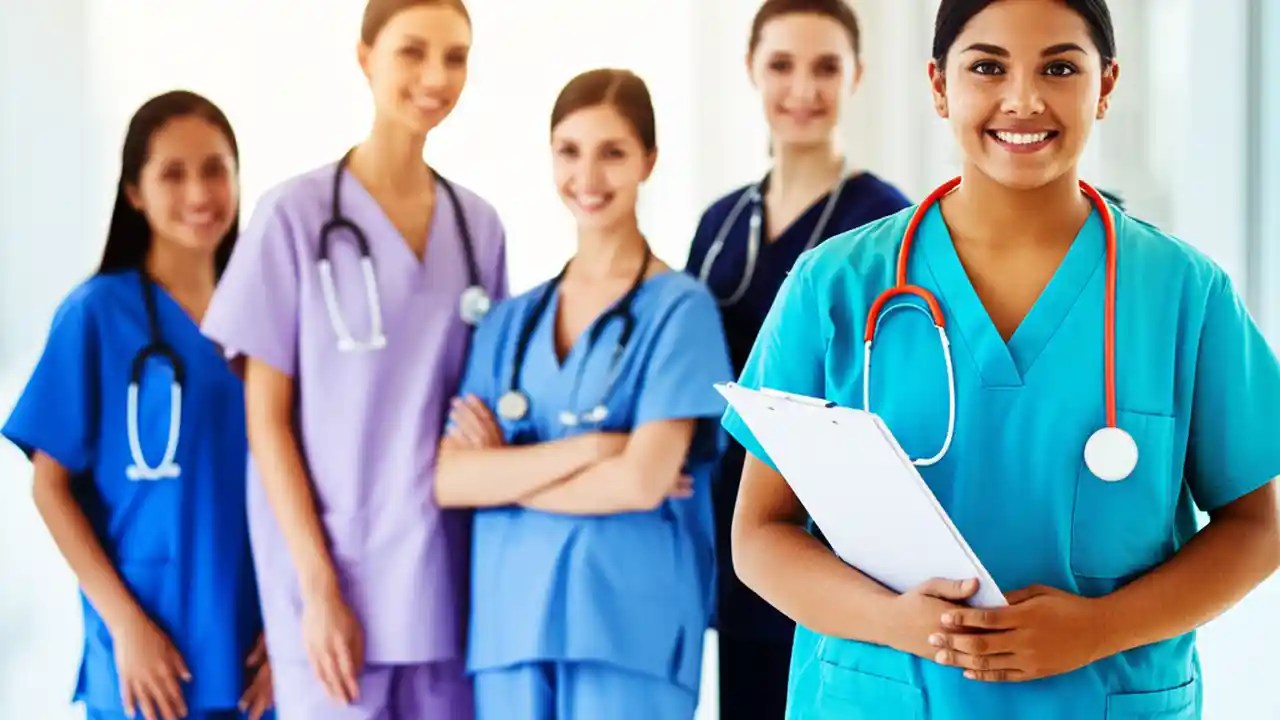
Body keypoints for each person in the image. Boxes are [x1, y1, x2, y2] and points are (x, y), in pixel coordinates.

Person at [723, 0, 1280, 717]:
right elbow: (760, 535)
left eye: (1059, 67)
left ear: (1105, 85)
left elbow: (1257, 527)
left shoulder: (1183, 293)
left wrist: (1100, 629)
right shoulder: (835, 286)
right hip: (882, 695)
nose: (1023, 98)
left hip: (1100, 697)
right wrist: (894, 621)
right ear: (938, 85)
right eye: (987, 66)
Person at [198, 1, 508, 717]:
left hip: (444, 580)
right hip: (334, 581)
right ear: (365, 56)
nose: (436, 75)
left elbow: (485, 392)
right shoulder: (293, 217)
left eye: (455, 56)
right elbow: (266, 423)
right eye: (412, 51)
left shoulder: (478, 227)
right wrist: (319, 589)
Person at [435, 68, 733, 720]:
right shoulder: (512, 323)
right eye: (570, 151)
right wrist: (598, 446)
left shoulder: (678, 311)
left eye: (613, 153)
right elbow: (452, 480)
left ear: (648, 161)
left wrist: (507, 478)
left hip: (629, 629)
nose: (588, 177)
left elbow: (639, 485)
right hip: (511, 628)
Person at [2, 90, 273, 720]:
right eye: (172, 174)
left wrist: (291, 623)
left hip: (254, 646)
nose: (201, 194)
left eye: (215, 168)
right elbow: (50, 487)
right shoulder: (97, 315)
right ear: (133, 192)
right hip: (150, 648)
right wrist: (125, 626)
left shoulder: (264, 315)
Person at [682, 1, 910, 715]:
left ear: (857, 77)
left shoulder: (883, 223)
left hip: (831, 536)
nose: (803, 90)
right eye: (782, 65)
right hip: (732, 521)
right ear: (751, 69)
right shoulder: (720, 223)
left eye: (825, 68)